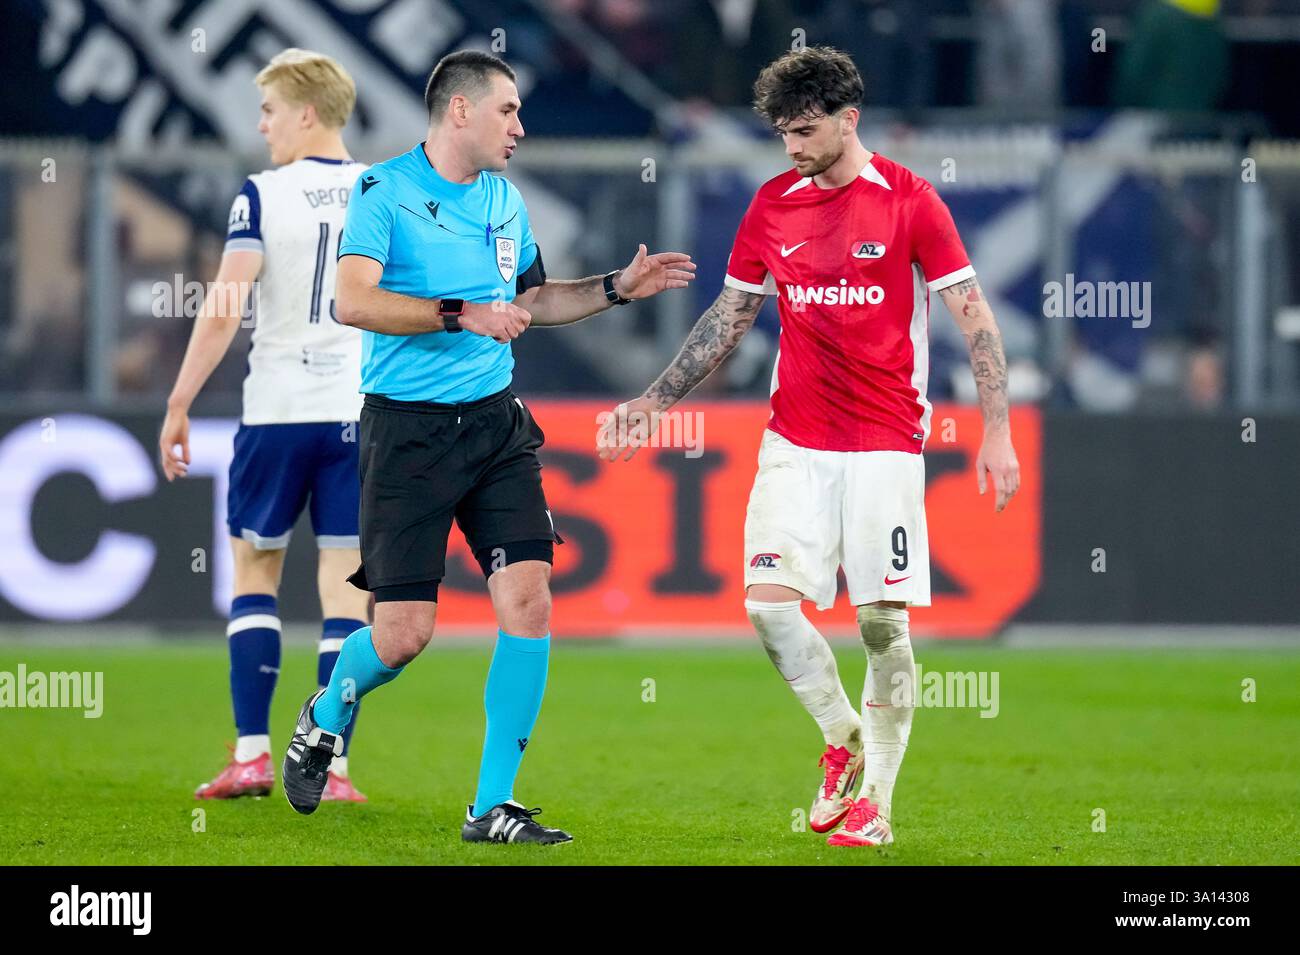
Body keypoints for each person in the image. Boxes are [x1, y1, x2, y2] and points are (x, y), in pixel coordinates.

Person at [598, 46, 1020, 847]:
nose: (790, 147)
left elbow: (974, 318)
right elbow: (728, 321)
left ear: (847, 120)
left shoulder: (912, 203)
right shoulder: (772, 207)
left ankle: (879, 806)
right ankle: (842, 736)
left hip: (886, 445)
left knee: (882, 626)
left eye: (803, 131)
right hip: (794, 440)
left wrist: (995, 430)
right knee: (766, 609)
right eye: (782, 134)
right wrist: (654, 400)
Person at [281, 50, 695, 845]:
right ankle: (328, 709)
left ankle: (491, 806)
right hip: (406, 430)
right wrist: (459, 312)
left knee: (530, 597)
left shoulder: (506, 202)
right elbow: (353, 299)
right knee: (404, 635)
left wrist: (615, 287)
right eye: (507, 110)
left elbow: (532, 300)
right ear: (460, 111)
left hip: (497, 425)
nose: (521, 127)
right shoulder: (383, 189)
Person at [160, 49, 372, 803]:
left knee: (256, 573)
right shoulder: (382, 191)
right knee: (347, 588)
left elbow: (225, 303)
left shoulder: (262, 193)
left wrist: (181, 398)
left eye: (271, 111)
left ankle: (252, 754)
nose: (262, 125)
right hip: (357, 414)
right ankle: (333, 765)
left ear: (306, 113)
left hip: (277, 411)